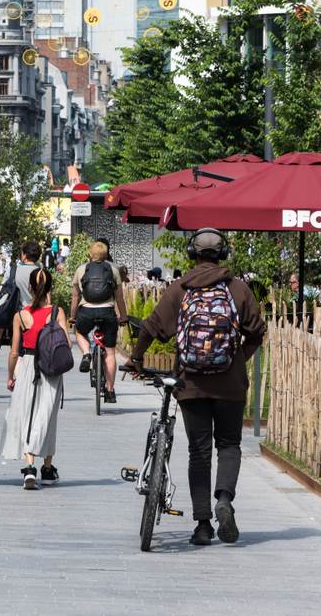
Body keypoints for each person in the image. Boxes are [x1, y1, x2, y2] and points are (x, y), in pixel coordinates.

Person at [130, 228, 266, 546]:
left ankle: (203, 525)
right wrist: (238, 359)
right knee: (229, 445)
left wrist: (136, 358)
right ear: (223, 254)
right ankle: (224, 500)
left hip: (190, 383)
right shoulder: (239, 289)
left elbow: (151, 327)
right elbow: (257, 331)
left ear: (192, 253)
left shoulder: (180, 288)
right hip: (230, 384)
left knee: (199, 453)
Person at [0, 268, 71, 489]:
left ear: (29, 287)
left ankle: (29, 465)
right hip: (51, 368)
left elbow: (14, 352)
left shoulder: (20, 315)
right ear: (50, 288)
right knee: (47, 416)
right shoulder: (57, 312)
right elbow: (67, 344)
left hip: (28, 365)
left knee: (28, 415)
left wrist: (11, 376)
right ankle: (46, 468)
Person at [71, 241, 127, 403]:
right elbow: (120, 298)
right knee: (110, 353)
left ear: (89, 254)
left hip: (86, 311)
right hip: (108, 312)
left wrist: (72, 316)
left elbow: (75, 297)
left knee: (80, 332)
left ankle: (87, 353)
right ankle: (110, 391)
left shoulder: (82, 269)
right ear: (106, 256)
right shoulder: (113, 270)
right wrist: (123, 316)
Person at [12, 241, 42, 308]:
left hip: (19, 312)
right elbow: (47, 299)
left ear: (24, 256)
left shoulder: (13, 271)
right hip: (37, 312)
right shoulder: (43, 273)